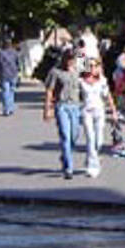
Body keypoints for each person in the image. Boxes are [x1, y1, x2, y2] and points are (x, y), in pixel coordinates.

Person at [43, 49, 83, 179]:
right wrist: (47, 109)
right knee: (65, 135)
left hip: (76, 106)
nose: (70, 62)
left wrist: (81, 52)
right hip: (62, 106)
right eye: (68, 59)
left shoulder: (78, 70)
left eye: (73, 60)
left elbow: (93, 68)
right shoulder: (55, 72)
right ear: (64, 59)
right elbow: (49, 90)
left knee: (74, 136)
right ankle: (68, 167)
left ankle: (65, 155)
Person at [78, 57, 118, 179]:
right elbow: (75, 96)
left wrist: (113, 111)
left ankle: (92, 157)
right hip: (86, 112)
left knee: (98, 140)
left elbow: (108, 96)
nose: (93, 68)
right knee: (90, 138)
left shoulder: (102, 81)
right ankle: (92, 167)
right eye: (90, 66)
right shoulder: (81, 81)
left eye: (95, 66)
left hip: (99, 111)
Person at [0, 39, 21, 116]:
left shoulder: (0, 53)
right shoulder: (14, 53)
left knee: (5, 91)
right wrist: (18, 71)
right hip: (13, 73)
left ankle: (6, 109)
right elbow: (18, 63)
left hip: (4, 74)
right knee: (12, 91)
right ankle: (11, 108)